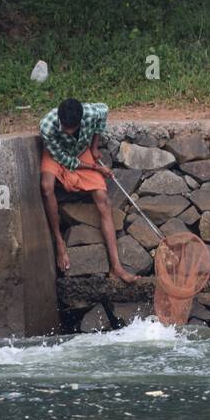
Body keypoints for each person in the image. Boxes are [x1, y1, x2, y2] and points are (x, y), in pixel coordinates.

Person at [38, 98, 137, 282]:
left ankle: (116, 267)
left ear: (80, 121)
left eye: (72, 128)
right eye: (65, 127)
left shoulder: (91, 113)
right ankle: (59, 242)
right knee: (46, 187)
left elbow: (105, 109)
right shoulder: (47, 127)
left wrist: (94, 146)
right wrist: (96, 168)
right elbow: (63, 159)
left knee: (104, 200)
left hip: (80, 152)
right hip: (57, 155)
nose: (68, 131)